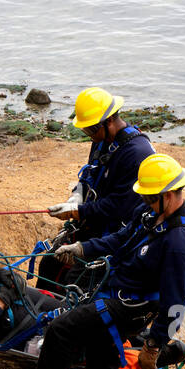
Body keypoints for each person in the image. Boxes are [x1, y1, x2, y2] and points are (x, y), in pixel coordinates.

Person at [35, 153, 185, 369]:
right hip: (116, 294)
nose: (144, 202)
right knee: (102, 358)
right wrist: (82, 248)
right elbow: (121, 238)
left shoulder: (178, 243)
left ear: (168, 194)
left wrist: (154, 344)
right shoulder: (151, 214)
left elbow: (175, 302)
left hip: (129, 309)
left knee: (61, 330)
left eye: (150, 197)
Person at [37, 86, 154, 292]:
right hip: (95, 225)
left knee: (74, 281)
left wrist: (77, 211)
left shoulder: (136, 154)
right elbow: (91, 174)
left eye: (91, 129)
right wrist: (77, 195)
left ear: (109, 121)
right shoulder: (102, 140)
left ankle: (57, 320)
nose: (89, 135)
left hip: (116, 234)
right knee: (49, 263)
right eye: (85, 130)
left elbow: (119, 207)